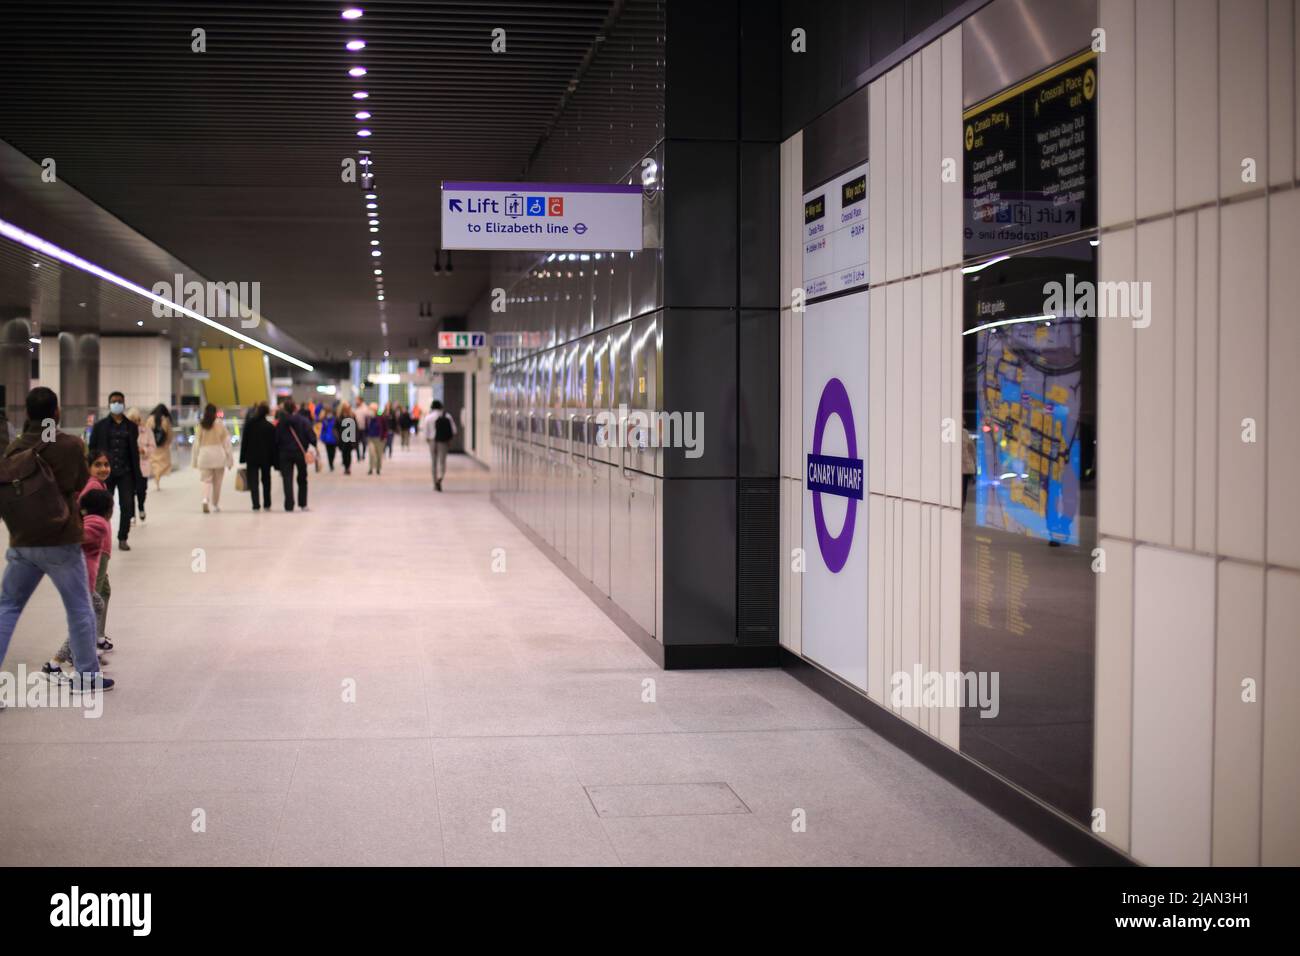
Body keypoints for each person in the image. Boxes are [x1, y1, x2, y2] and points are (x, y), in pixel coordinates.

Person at [0, 387, 113, 692]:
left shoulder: (16, 447)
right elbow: (79, 484)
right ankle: (87, 678)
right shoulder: (69, 445)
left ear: (27, 414)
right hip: (61, 540)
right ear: (57, 412)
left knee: (7, 607)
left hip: (23, 541)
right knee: (79, 607)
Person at [45, 487, 114, 677]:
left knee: (94, 609)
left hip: (77, 582)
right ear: (108, 511)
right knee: (84, 621)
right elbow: (77, 540)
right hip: (79, 583)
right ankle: (59, 662)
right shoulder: (98, 523)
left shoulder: (86, 521)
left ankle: (79, 655)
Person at [88, 390, 143, 551]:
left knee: (126, 505)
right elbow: (92, 450)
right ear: (109, 404)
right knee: (102, 506)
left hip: (125, 472)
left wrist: (137, 474)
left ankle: (122, 537)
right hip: (105, 473)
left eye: (119, 401)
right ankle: (99, 537)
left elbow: (134, 451)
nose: (117, 404)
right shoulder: (100, 427)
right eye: (114, 401)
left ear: (124, 404)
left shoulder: (131, 427)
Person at [80, 451, 115, 653]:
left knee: (104, 591)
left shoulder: (99, 485)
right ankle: (85, 644)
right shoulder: (92, 487)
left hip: (101, 549)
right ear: (88, 467)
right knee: (93, 598)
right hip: (97, 550)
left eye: (106, 464)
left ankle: (98, 636)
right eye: (97, 465)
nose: (103, 468)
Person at [275, 400, 317, 511]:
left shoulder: (281, 422)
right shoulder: (303, 421)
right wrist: (313, 444)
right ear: (295, 408)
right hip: (300, 452)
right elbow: (311, 436)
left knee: (287, 479)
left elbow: (277, 439)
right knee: (302, 477)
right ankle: (303, 503)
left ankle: (289, 505)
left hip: (285, 453)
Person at [192, 403, 234, 513]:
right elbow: (227, 444)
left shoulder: (201, 426)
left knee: (206, 481)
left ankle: (205, 499)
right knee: (217, 483)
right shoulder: (220, 425)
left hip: (204, 456)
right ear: (215, 413)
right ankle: (215, 504)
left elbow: (196, 444)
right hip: (218, 456)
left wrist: (195, 460)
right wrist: (230, 460)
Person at [240, 402, 277, 511]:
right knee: (266, 480)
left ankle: (255, 504)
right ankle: (267, 503)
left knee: (253, 481)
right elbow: (273, 446)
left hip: (252, 458)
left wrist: (242, 458)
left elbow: (244, 442)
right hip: (266, 458)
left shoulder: (249, 425)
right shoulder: (270, 427)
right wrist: (275, 461)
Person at [424, 400, 457, 492]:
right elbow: (454, 430)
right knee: (442, 462)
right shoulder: (447, 416)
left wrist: (428, 440)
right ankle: (440, 477)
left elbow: (425, 432)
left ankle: (435, 483)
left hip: (432, 441)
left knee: (433, 462)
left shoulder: (428, 417)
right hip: (443, 442)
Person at [128, 407, 154, 523]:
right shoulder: (126, 432)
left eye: (136, 420)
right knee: (129, 492)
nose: (135, 423)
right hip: (129, 466)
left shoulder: (146, 430)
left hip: (143, 465)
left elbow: (152, 446)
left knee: (141, 490)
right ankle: (132, 514)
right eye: (132, 420)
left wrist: (143, 450)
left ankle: (141, 507)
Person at [144, 404, 173, 489]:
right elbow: (169, 434)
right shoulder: (165, 420)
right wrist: (167, 443)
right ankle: (158, 477)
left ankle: (156, 477)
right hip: (163, 446)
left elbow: (146, 432)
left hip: (153, 446)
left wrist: (148, 443)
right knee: (162, 464)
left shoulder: (150, 419)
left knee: (154, 463)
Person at [364, 402, 388, 475]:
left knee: (379, 454)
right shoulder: (368, 418)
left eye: (372, 409)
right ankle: (371, 468)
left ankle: (378, 468)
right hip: (370, 438)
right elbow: (366, 428)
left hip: (379, 438)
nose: (371, 410)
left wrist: (384, 437)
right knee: (371, 453)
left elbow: (385, 428)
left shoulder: (381, 417)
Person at [336, 401, 357, 475]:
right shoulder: (339, 416)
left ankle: (348, 467)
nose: (347, 409)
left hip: (350, 438)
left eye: (348, 408)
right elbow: (336, 427)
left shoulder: (352, 416)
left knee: (348, 453)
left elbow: (355, 427)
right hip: (342, 438)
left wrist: (355, 439)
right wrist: (337, 436)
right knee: (344, 453)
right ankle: (345, 466)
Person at [321, 407, 339, 471]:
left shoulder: (335, 419)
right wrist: (322, 438)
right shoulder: (324, 420)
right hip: (327, 439)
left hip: (333, 438)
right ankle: (330, 464)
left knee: (333, 452)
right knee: (329, 452)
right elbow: (322, 430)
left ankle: (332, 461)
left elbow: (337, 428)